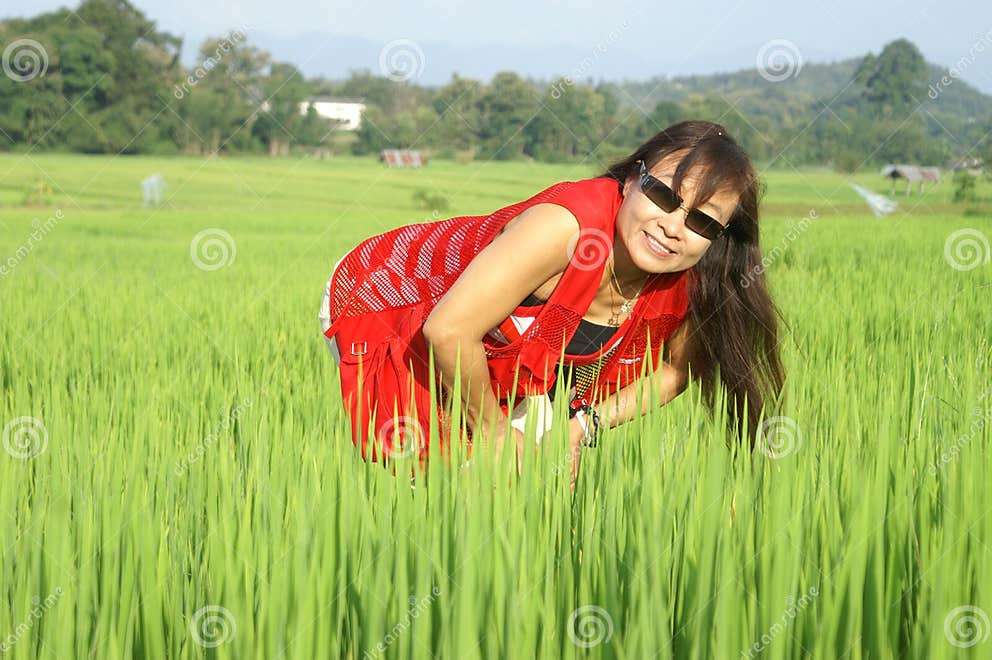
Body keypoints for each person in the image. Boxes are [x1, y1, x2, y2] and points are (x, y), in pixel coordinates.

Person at [318, 120, 785, 487]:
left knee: (542, 481)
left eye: (702, 222)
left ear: (718, 239)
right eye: (663, 195)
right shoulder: (564, 230)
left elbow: (676, 371)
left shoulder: (688, 275)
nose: (674, 227)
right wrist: (494, 433)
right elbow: (449, 330)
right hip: (395, 302)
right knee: (435, 487)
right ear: (630, 180)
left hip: (504, 353)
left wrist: (582, 426)